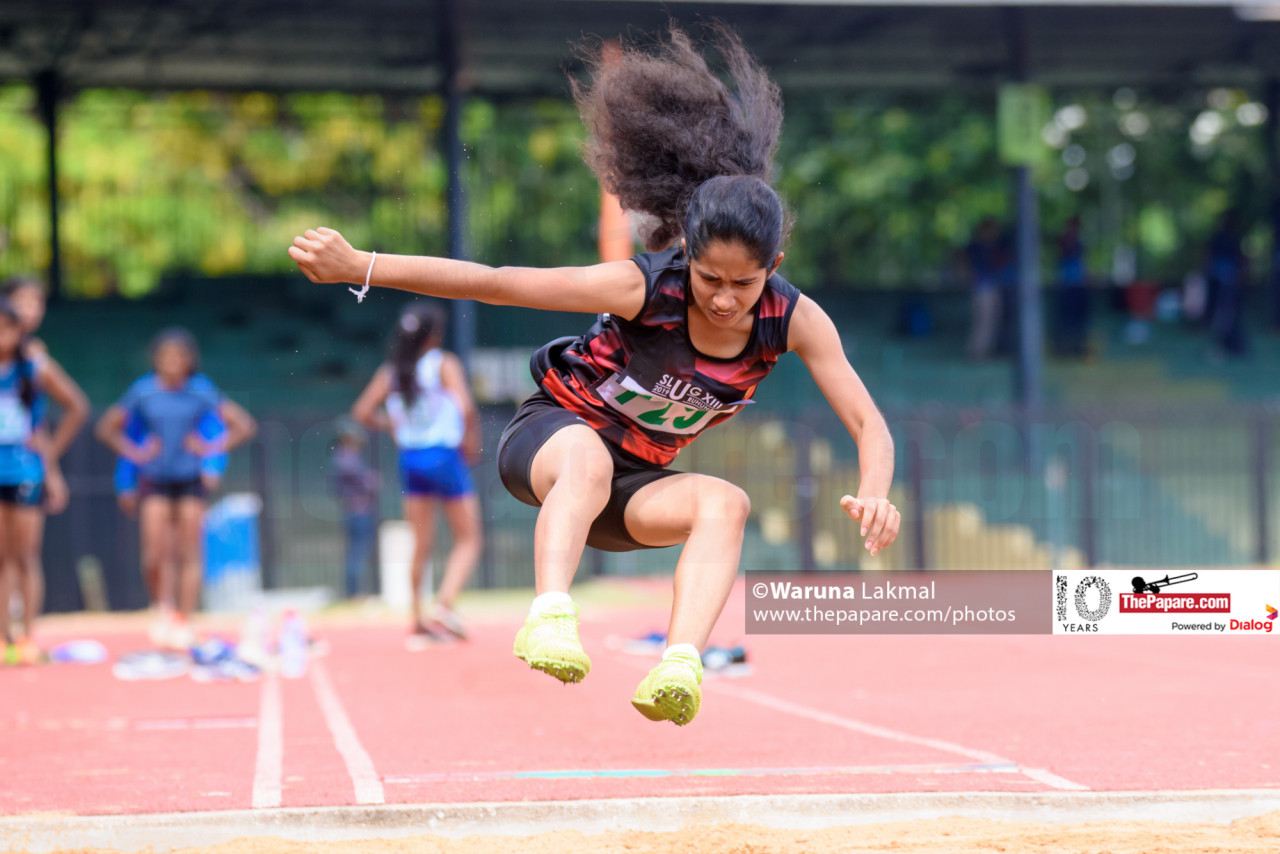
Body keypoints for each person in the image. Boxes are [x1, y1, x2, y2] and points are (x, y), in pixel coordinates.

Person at [288, 25, 899, 726]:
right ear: (687, 252)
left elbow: (868, 423)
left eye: (744, 283)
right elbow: (498, 282)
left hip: (629, 489)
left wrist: (875, 491)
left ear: (775, 266)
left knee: (725, 503)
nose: (725, 300)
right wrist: (361, 265)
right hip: (549, 442)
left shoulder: (794, 320)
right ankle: (550, 614)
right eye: (709, 278)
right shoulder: (643, 288)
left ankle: (679, 666)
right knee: (587, 458)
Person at [95, 329, 256, 648]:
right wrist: (135, 454)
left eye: (179, 356)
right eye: (165, 355)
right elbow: (107, 428)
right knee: (155, 553)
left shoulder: (200, 391)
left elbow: (243, 425)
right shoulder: (143, 392)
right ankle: (162, 608)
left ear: (189, 360)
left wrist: (210, 449)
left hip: (189, 479)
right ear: (155, 359)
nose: (172, 361)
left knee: (188, 552)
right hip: (154, 479)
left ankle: (185, 619)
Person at [350, 303, 482, 639]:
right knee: (468, 538)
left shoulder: (391, 371)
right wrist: (471, 441)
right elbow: (466, 408)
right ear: (434, 335)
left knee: (420, 543)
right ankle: (445, 604)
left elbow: (362, 412)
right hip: (443, 454)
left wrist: (393, 424)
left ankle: (416, 616)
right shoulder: (443, 364)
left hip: (410, 458)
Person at [0, 298, 88, 664]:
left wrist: (49, 453)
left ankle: (28, 635)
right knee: (2, 559)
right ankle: (4, 638)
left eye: (6, 328)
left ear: (18, 331)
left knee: (25, 556)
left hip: (24, 472)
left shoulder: (34, 368)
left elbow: (77, 405)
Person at [330, 418, 380, 598]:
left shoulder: (346, 458)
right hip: (357, 511)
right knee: (356, 552)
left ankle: (355, 591)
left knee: (358, 551)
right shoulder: (346, 458)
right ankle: (353, 592)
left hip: (358, 510)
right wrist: (370, 480)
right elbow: (365, 482)